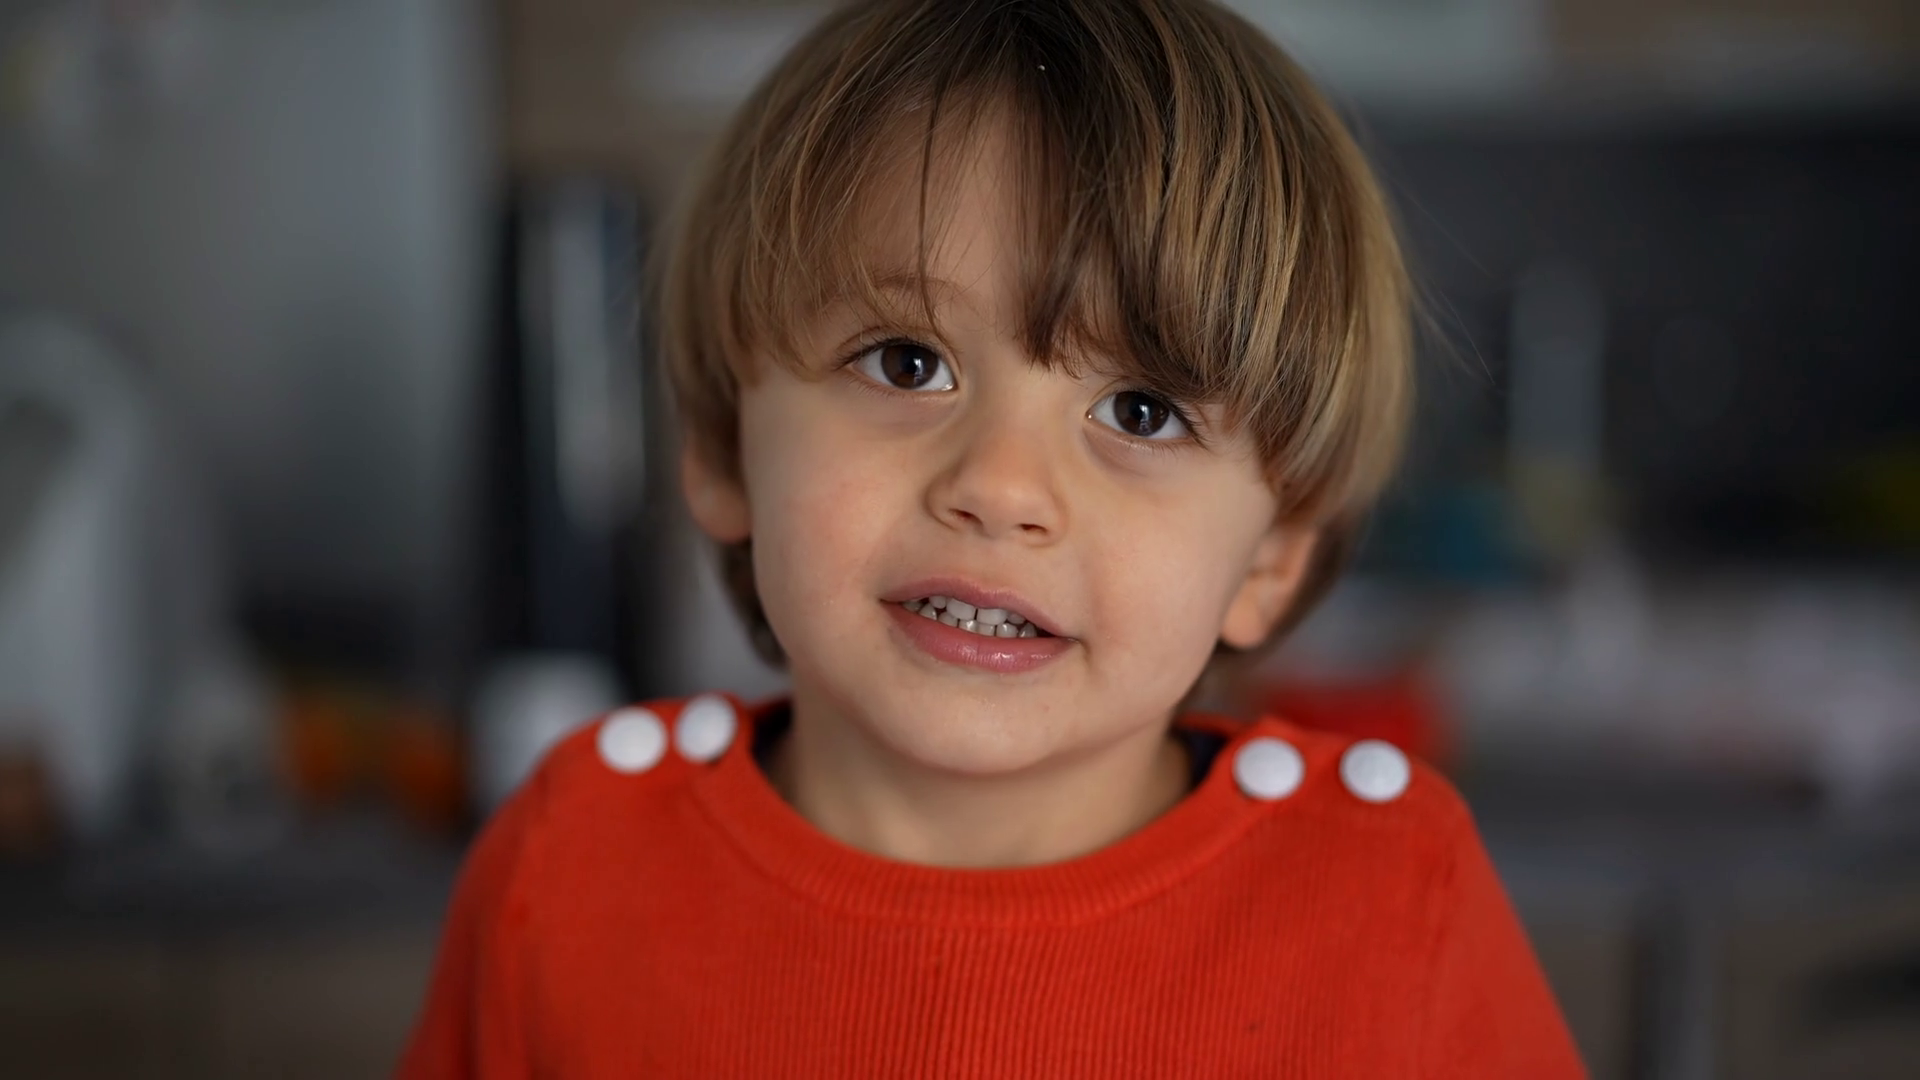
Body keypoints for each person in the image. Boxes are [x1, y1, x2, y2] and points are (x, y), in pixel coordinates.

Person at [399, 0, 1586, 1075]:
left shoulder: (1390, 899)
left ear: (1273, 557)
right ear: (719, 445)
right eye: (906, 363)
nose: (1002, 487)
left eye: (1142, 412)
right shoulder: (570, 865)